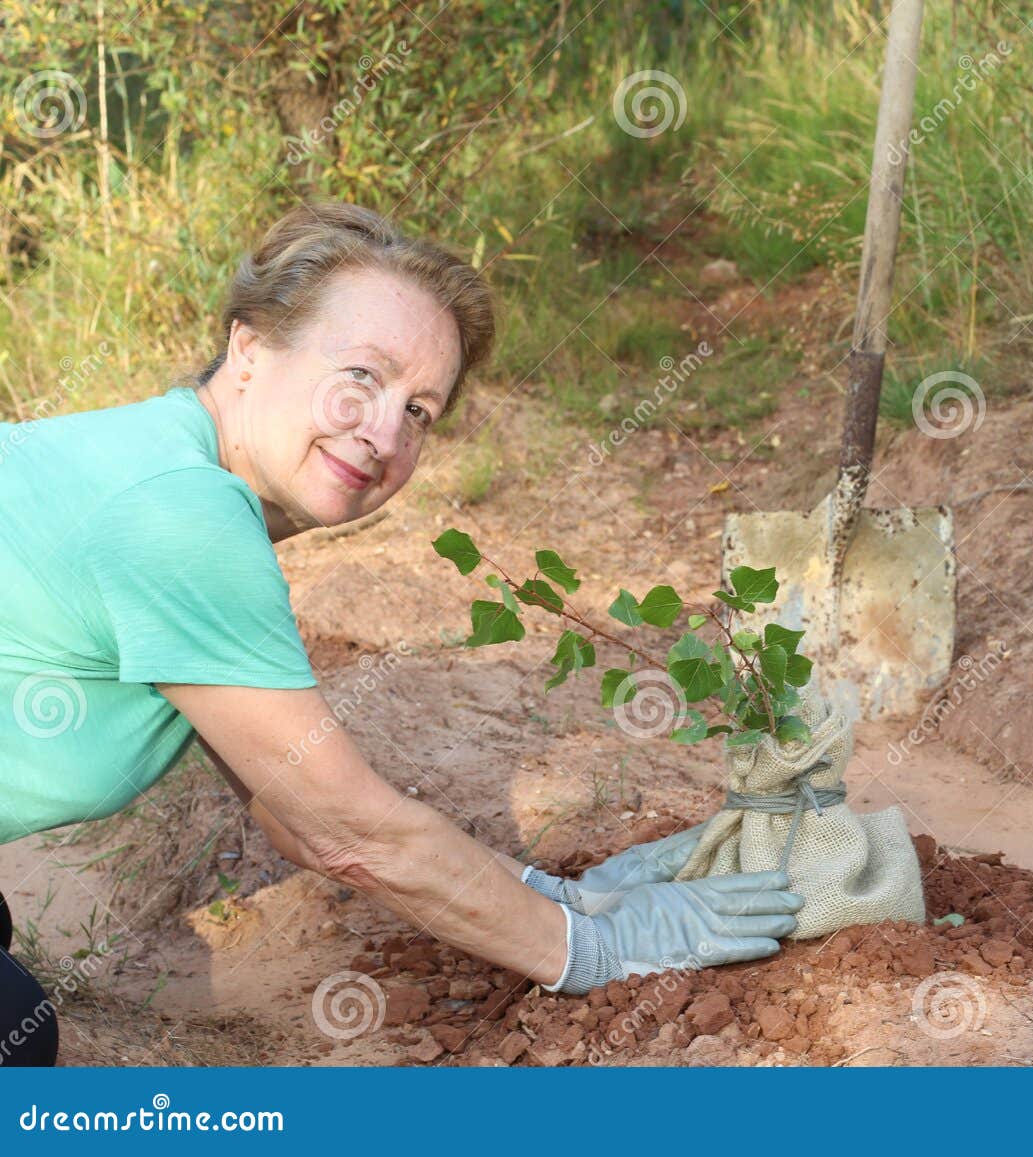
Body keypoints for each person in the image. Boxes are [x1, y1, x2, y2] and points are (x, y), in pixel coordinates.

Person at [0, 200, 801, 1067]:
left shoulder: (165, 463)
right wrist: (591, 947)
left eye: (421, 410)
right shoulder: (181, 515)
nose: (384, 433)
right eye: (361, 376)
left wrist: (554, 894)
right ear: (249, 349)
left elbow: (292, 811)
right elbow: (346, 826)